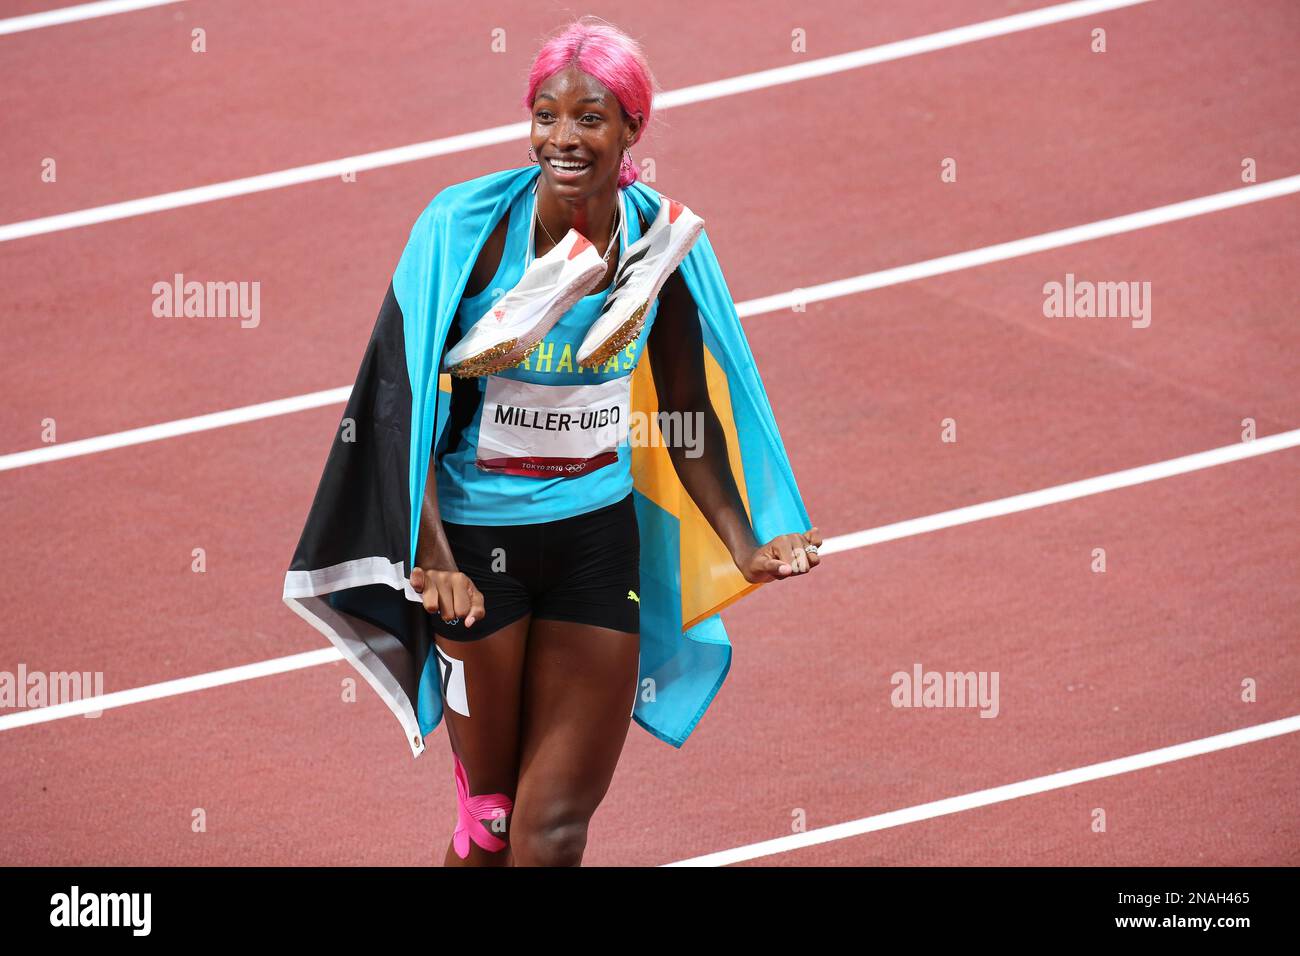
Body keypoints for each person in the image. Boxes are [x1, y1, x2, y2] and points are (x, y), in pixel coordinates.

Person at [282, 16, 820, 868]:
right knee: (491, 825)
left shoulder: (660, 244)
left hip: (596, 546)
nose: (562, 138)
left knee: (554, 829)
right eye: (546, 115)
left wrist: (745, 544)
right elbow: (402, 411)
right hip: (476, 554)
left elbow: (687, 414)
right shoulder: (466, 234)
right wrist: (435, 559)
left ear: (632, 128)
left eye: (589, 118)